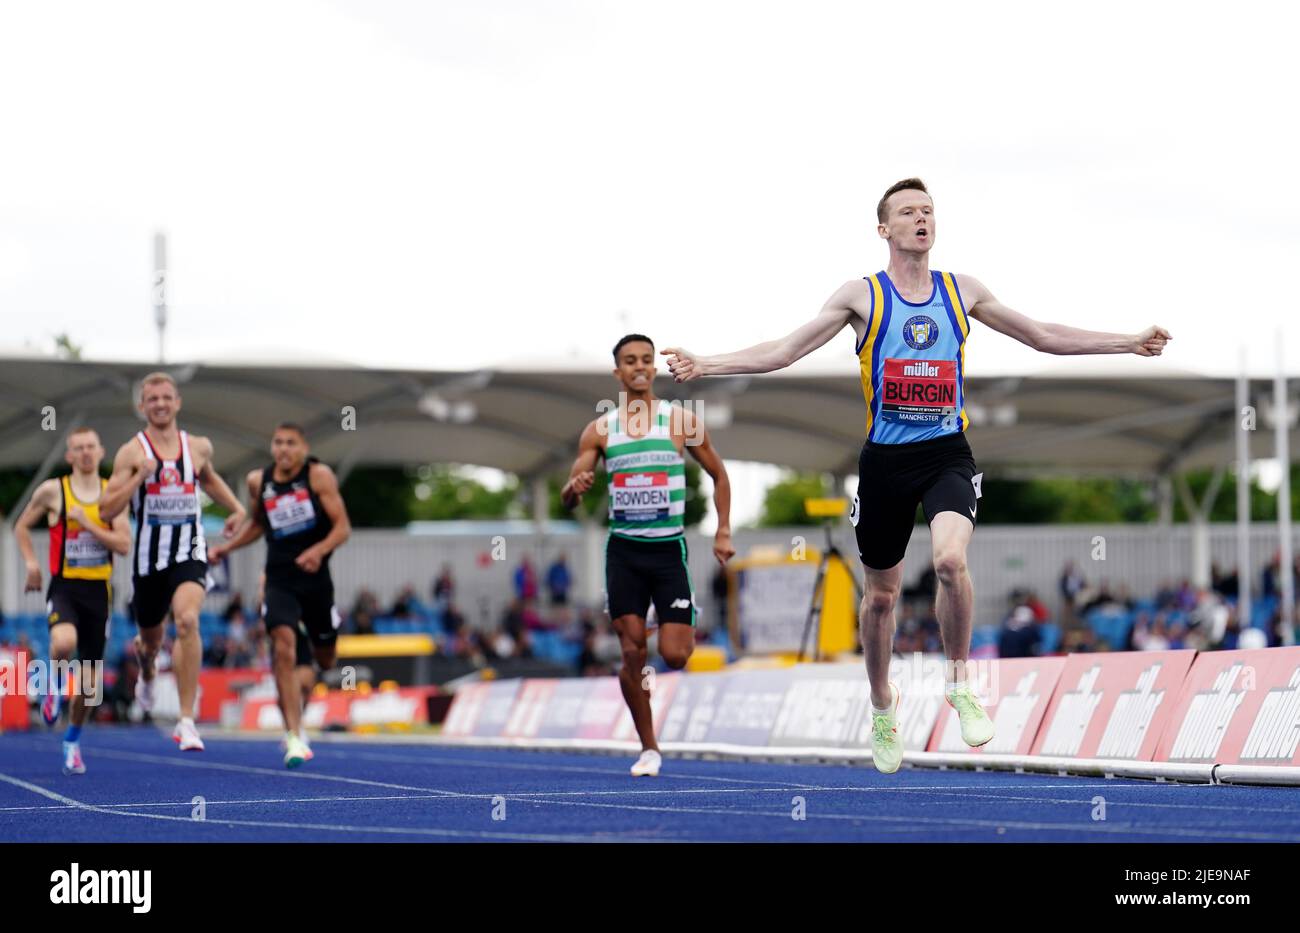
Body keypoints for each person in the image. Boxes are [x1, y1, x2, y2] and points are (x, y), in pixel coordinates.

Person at [661, 178, 1170, 773]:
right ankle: (883, 705)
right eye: (908, 212)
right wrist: (707, 362)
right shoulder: (862, 297)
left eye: (928, 211)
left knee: (952, 561)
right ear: (885, 229)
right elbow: (784, 352)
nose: (921, 219)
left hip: (947, 452)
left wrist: (1128, 342)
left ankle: (959, 683)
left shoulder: (962, 291)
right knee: (881, 596)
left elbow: (1043, 337)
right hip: (884, 463)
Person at [561, 334, 736, 777]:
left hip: (668, 551)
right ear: (617, 373)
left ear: (653, 369)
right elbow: (569, 498)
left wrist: (723, 530)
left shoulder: (681, 422)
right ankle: (649, 747)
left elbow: (719, 475)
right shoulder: (599, 431)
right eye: (629, 361)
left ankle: (666, 616)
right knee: (632, 652)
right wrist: (574, 489)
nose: (639, 366)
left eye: (645, 360)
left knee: (675, 656)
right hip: (624, 553)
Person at [100, 373, 246, 752]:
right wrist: (137, 479)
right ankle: (147, 669)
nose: (160, 404)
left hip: (189, 551)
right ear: (142, 406)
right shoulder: (131, 452)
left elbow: (209, 479)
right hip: (149, 561)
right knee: (151, 642)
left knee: (187, 620)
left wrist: (237, 508)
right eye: (152, 399)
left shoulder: (197, 447)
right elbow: (106, 508)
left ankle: (186, 720)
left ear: (178, 402)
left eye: (166, 397)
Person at [208, 422, 351, 768]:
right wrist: (228, 548)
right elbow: (259, 524)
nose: (283, 449)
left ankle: (312, 662)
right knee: (282, 646)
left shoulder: (319, 477)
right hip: (279, 579)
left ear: (303, 448)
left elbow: (343, 528)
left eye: (291, 443)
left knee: (327, 659)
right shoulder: (260, 481)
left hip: (316, 581)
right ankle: (294, 735)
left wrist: (319, 550)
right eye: (278, 443)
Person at [12, 427, 131, 773]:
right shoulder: (54, 491)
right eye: (77, 448)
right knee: (64, 643)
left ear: (100, 451)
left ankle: (72, 740)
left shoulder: (114, 494)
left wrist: (88, 524)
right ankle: (52, 685)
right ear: (69, 456)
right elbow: (20, 526)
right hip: (65, 586)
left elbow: (123, 545)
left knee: (90, 688)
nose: (85, 453)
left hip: (99, 592)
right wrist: (32, 565)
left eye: (90, 447)